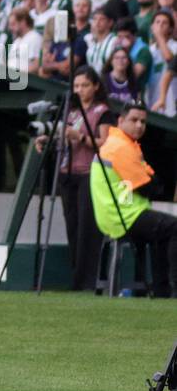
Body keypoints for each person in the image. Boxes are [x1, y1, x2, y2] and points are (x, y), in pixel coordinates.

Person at [36, 66, 113, 291]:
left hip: (90, 173)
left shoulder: (103, 111)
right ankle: (77, 278)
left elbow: (105, 143)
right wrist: (46, 138)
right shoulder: (70, 111)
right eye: (76, 86)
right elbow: (62, 137)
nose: (79, 90)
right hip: (67, 172)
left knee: (87, 228)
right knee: (72, 227)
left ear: (96, 86)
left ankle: (86, 281)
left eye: (84, 85)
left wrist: (78, 136)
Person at [91, 102, 177, 296]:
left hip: (123, 211)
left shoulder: (124, 144)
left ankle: (162, 291)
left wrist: (150, 180)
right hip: (123, 215)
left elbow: (153, 182)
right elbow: (149, 187)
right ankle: (169, 289)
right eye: (134, 120)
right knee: (174, 227)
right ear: (121, 121)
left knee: (164, 231)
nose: (139, 125)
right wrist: (150, 179)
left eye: (143, 122)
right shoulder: (120, 147)